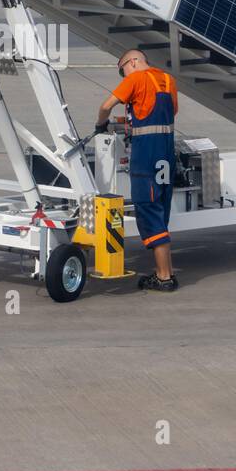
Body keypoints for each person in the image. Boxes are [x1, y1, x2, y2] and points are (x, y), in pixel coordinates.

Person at [96, 48, 179, 292]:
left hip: (147, 155)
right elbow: (169, 112)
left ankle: (164, 278)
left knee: (148, 208)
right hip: (166, 154)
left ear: (132, 62)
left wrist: (101, 124)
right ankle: (167, 272)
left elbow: (106, 105)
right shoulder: (167, 79)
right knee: (160, 208)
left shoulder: (135, 79)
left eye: (124, 71)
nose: (124, 77)